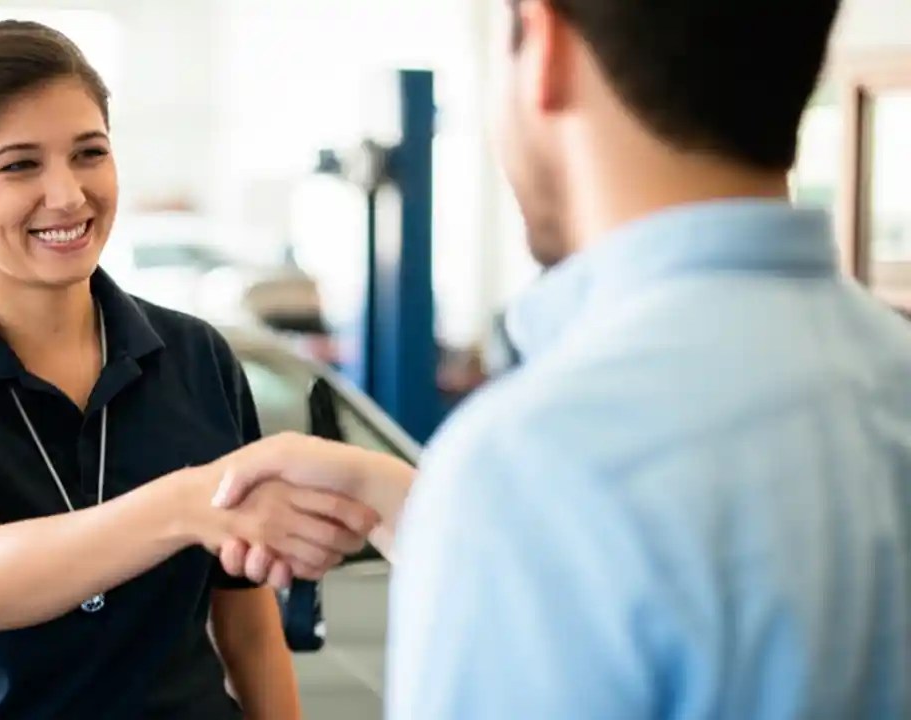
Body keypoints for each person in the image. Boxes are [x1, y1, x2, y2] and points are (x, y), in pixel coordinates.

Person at [213, 0, 911, 717]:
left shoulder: (533, 466)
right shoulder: (887, 375)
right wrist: (417, 507)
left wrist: (476, 514)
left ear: (543, 46)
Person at [0, 21, 378, 719]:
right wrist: (187, 505)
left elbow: (249, 630)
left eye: (89, 154)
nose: (66, 195)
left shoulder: (197, 356)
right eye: (20, 165)